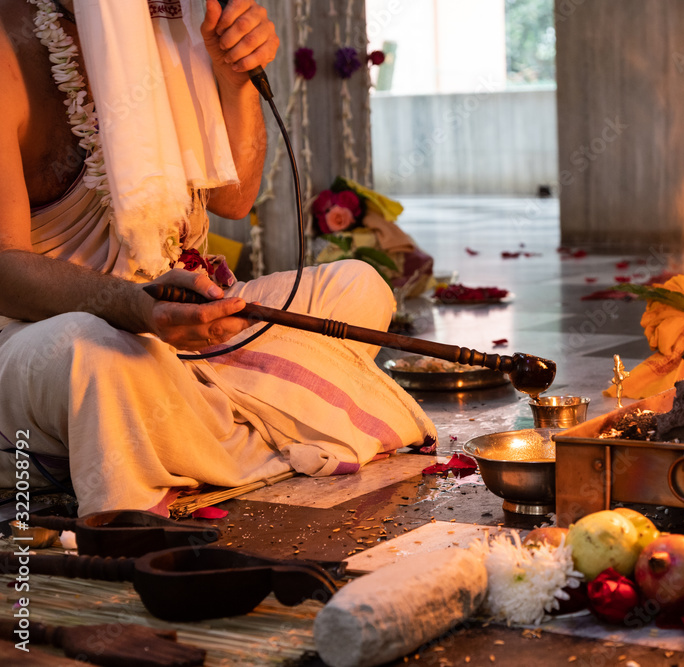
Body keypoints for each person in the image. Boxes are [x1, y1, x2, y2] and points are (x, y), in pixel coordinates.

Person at [0, 0, 435, 514]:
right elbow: (6, 269)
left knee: (358, 289)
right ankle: (254, 428)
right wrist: (136, 307)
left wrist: (234, 80)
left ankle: (174, 439)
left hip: (188, 322)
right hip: (44, 338)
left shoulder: (174, 26)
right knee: (93, 356)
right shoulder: (10, 42)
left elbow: (235, 197)